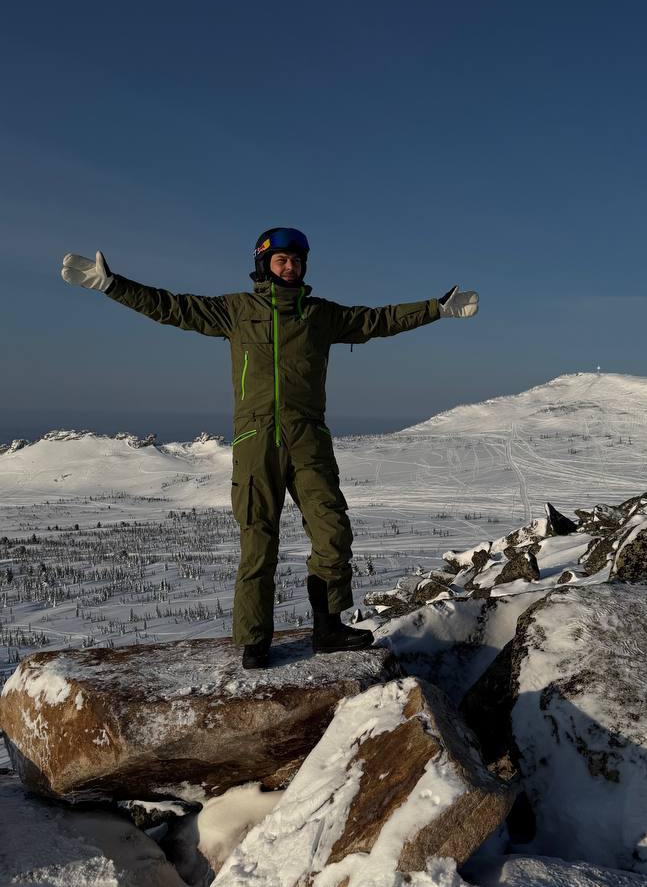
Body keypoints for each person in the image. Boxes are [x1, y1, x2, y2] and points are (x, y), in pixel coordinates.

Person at [61, 230, 478, 669]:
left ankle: (328, 628)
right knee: (258, 540)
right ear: (264, 264)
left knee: (332, 530)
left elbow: (380, 319)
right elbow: (172, 307)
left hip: (308, 438)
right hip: (255, 438)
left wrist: (436, 308)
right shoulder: (236, 311)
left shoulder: (320, 315)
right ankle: (255, 640)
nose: (290, 267)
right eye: (281, 260)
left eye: (297, 261)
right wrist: (113, 285)